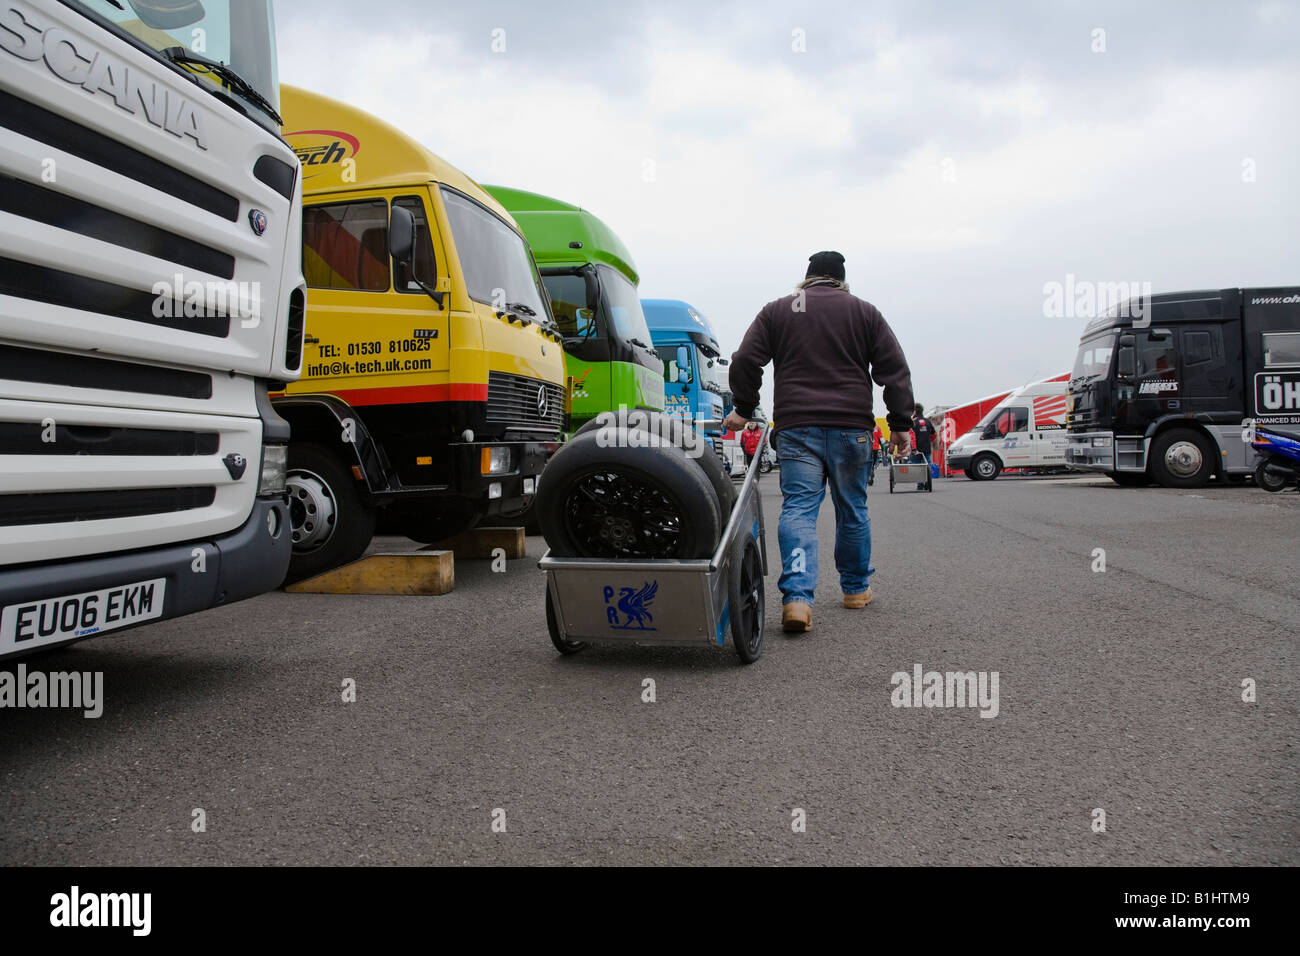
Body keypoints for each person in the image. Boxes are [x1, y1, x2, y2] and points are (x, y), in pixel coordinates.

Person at [724, 250, 915, 634]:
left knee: (798, 510)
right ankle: (856, 590)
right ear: (841, 279)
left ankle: (797, 598)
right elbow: (894, 370)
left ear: (807, 278)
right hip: (852, 428)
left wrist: (744, 407)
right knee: (853, 509)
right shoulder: (864, 312)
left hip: (798, 427)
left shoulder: (778, 310)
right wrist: (899, 423)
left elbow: (746, 359)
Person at [910, 403, 937, 490]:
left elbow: (911, 437)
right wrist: (929, 441)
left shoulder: (913, 422)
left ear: (915, 411)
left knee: (917, 466)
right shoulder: (927, 421)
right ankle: (928, 481)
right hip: (927, 447)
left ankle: (920, 484)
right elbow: (933, 434)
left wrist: (913, 448)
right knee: (927, 464)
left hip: (916, 448)